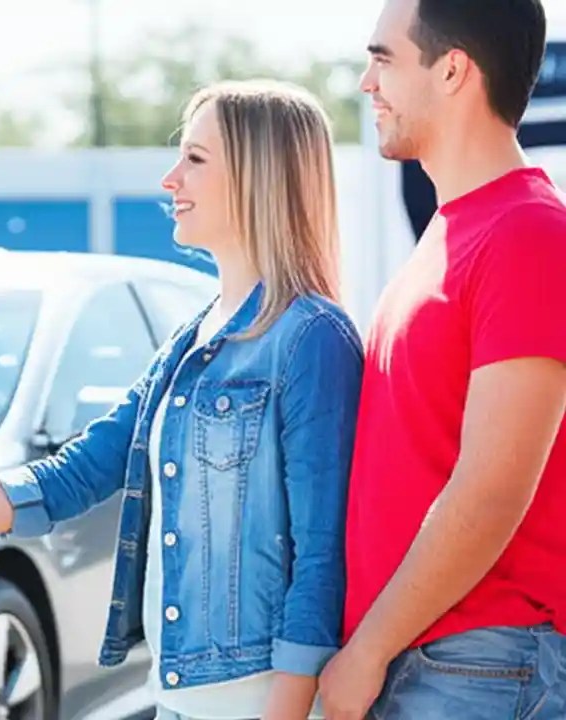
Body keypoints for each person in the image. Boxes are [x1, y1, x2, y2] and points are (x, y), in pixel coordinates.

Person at [0, 79, 365, 720]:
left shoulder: (312, 339)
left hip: (256, 699)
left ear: (259, 177)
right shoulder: (186, 344)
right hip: (175, 697)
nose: (171, 180)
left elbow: (321, 556)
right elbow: (64, 480)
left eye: (196, 159)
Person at [316, 1, 566, 718]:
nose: (367, 82)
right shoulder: (453, 234)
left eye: (384, 58)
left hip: (484, 666)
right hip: (437, 660)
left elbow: (490, 490)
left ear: (453, 69)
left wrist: (366, 651)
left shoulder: (527, 236)